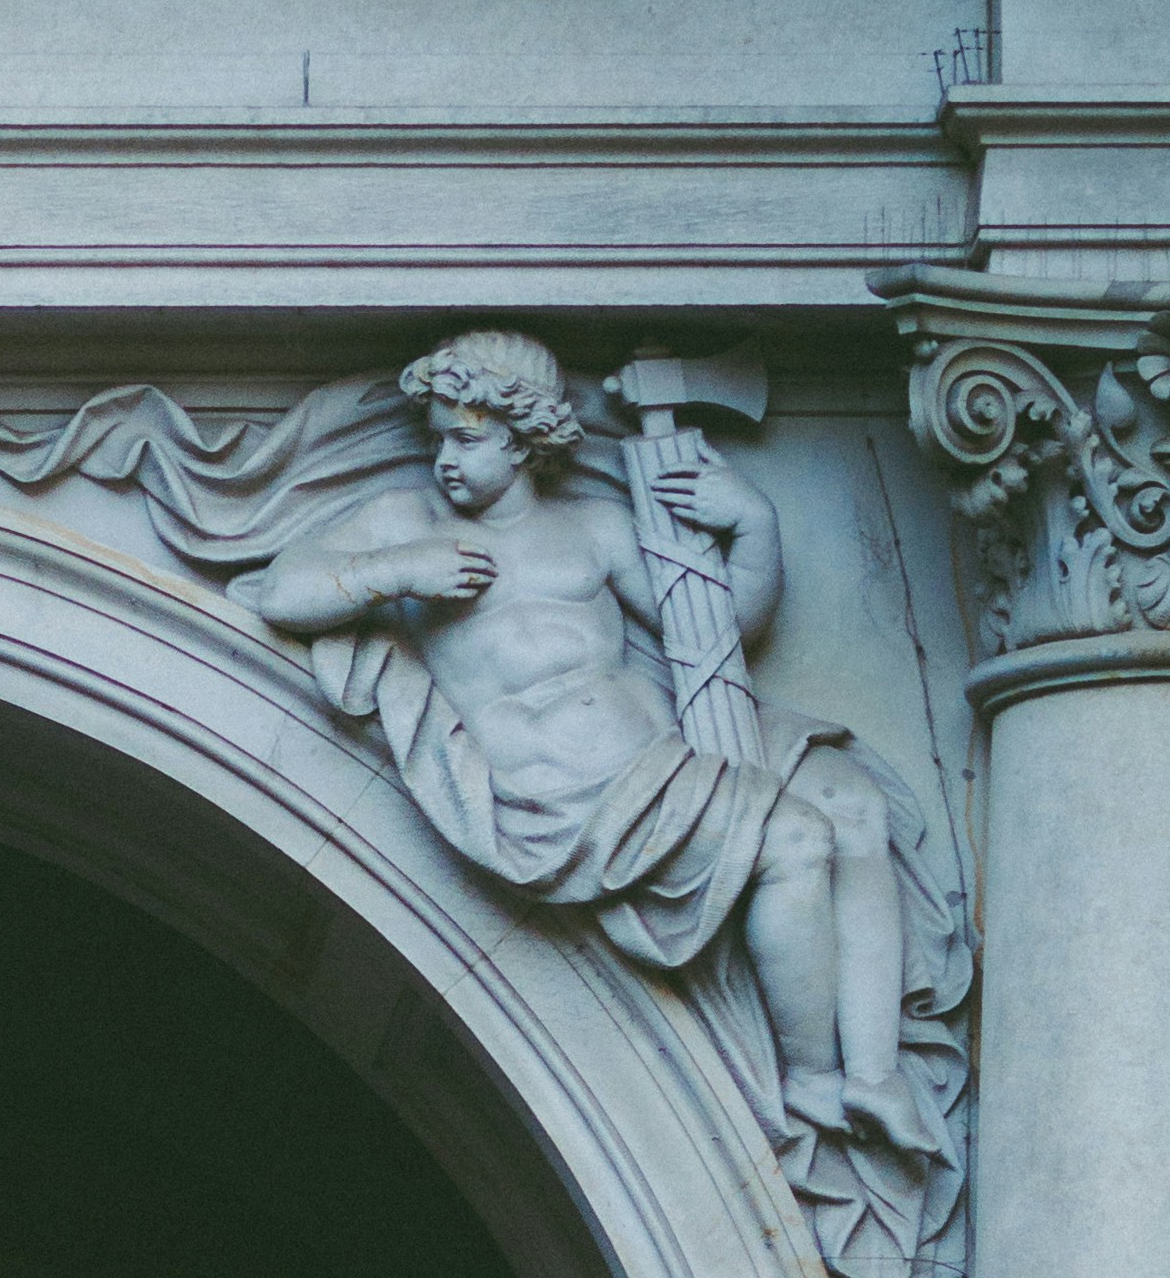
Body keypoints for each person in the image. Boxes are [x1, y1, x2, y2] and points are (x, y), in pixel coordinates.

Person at [252, 328, 929, 1156]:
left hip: (657, 765)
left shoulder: (597, 530)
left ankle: (873, 1072)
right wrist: (397, 570)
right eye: (436, 440)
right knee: (794, 841)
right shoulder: (404, 520)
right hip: (564, 798)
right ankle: (816, 1078)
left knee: (849, 801)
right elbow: (286, 589)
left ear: (526, 437)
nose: (446, 461)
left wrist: (753, 524)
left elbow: (714, 634)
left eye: (467, 439)